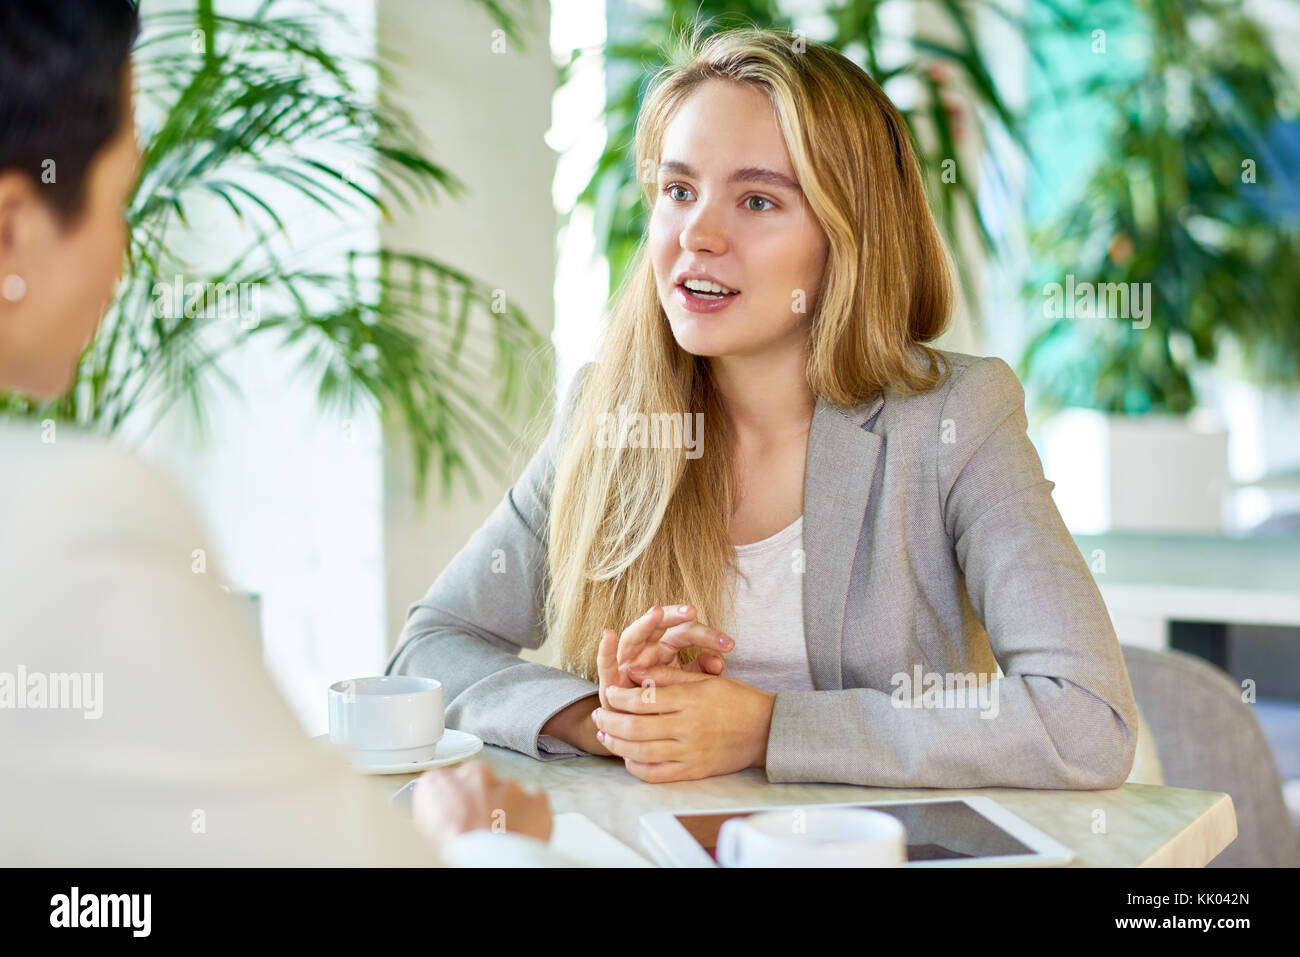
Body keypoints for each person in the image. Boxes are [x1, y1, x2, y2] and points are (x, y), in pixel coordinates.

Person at [388, 26, 1141, 788]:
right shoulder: (607, 416)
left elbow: (1085, 717)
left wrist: (764, 728)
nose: (698, 234)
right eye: (678, 191)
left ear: (849, 238)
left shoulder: (954, 419)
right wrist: (612, 720)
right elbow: (429, 648)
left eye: (756, 200)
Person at [0, 0, 568, 866]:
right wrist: (472, 844)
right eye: (122, 198)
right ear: (12, 229)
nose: (123, 256)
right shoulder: (72, 510)